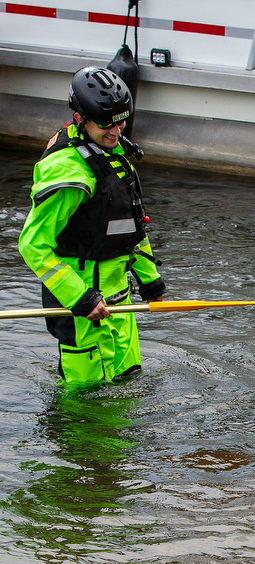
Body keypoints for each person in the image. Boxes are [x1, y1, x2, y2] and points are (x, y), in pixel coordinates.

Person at [18, 66, 165, 386]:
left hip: (119, 300)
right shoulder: (68, 173)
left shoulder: (113, 153)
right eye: (106, 125)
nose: (116, 132)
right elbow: (32, 245)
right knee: (85, 401)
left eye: (121, 122)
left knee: (129, 383)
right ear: (80, 117)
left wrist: (150, 280)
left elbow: (130, 223)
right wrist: (80, 297)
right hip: (81, 305)